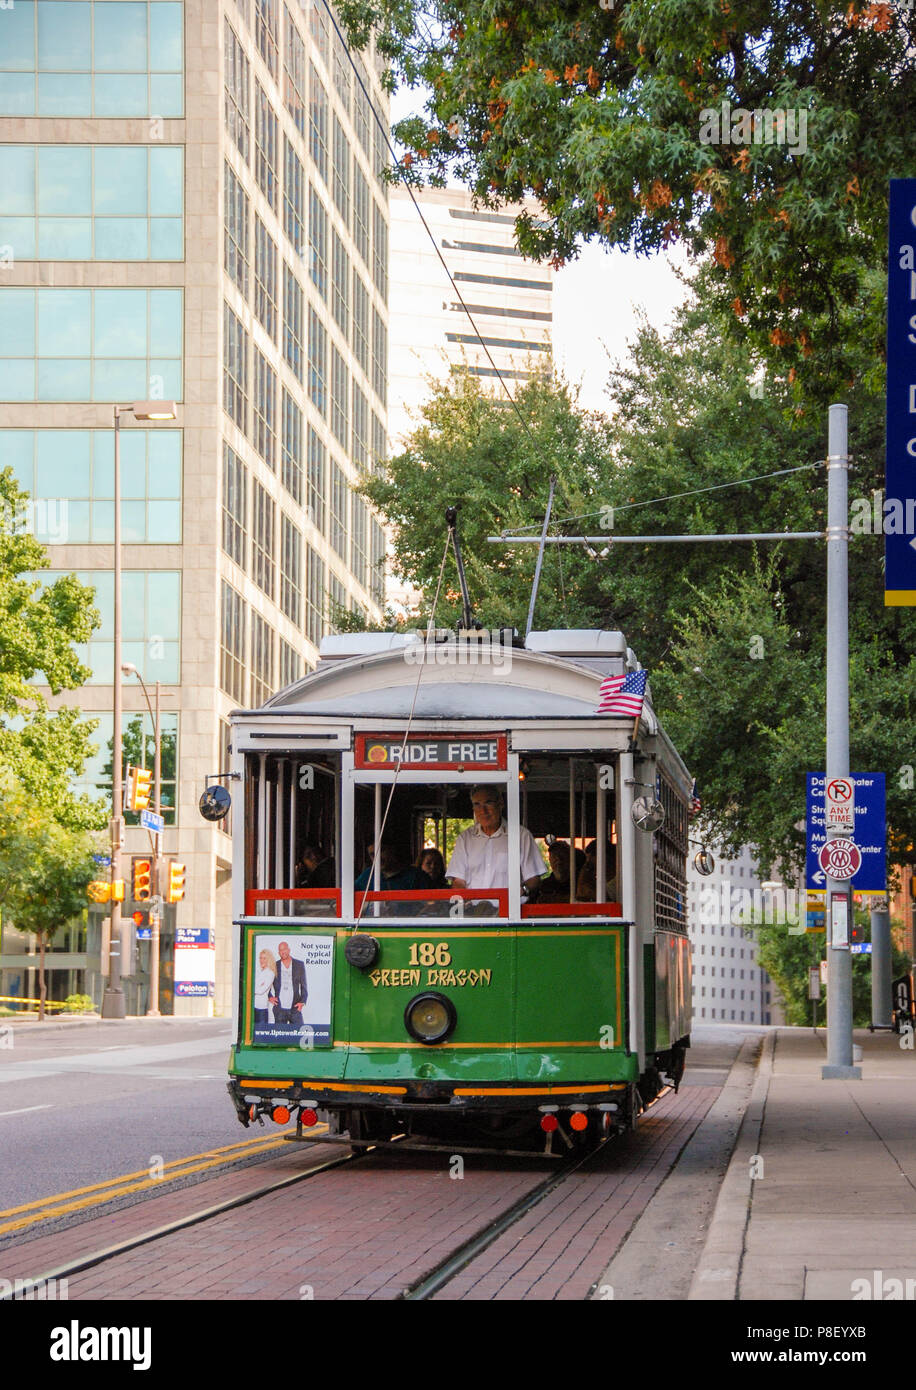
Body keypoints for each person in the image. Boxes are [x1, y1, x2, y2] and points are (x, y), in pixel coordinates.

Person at [447, 787, 545, 907]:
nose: (483, 810)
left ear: (501, 804)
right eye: (477, 804)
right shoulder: (465, 838)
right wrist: (464, 901)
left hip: (510, 914)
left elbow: (534, 878)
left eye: (488, 803)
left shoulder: (521, 835)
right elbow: (458, 881)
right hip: (474, 914)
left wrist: (522, 889)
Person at [268, 940, 307, 1030]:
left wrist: (302, 1002)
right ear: (279, 953)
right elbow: (266, 984)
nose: (283, 952)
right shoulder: (274, 965)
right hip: (280, 1010)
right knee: (279, 1038)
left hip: (295, 1009)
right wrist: (270, 996)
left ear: (288, 950)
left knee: (300, 1035)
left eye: (285, 949)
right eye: (281, 950)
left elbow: (304, 986)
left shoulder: (299, 964)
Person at [254, 947, 276, 1026]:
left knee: (261, 1036)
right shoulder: (259, 971)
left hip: (261, 1010)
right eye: (260, 958)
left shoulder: (270, 973)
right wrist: (257, 987)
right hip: (253, 1007)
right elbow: (257, 988)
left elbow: (260, 991)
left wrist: (252, 988)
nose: (261, 960)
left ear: (268, 960)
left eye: (264, 958)